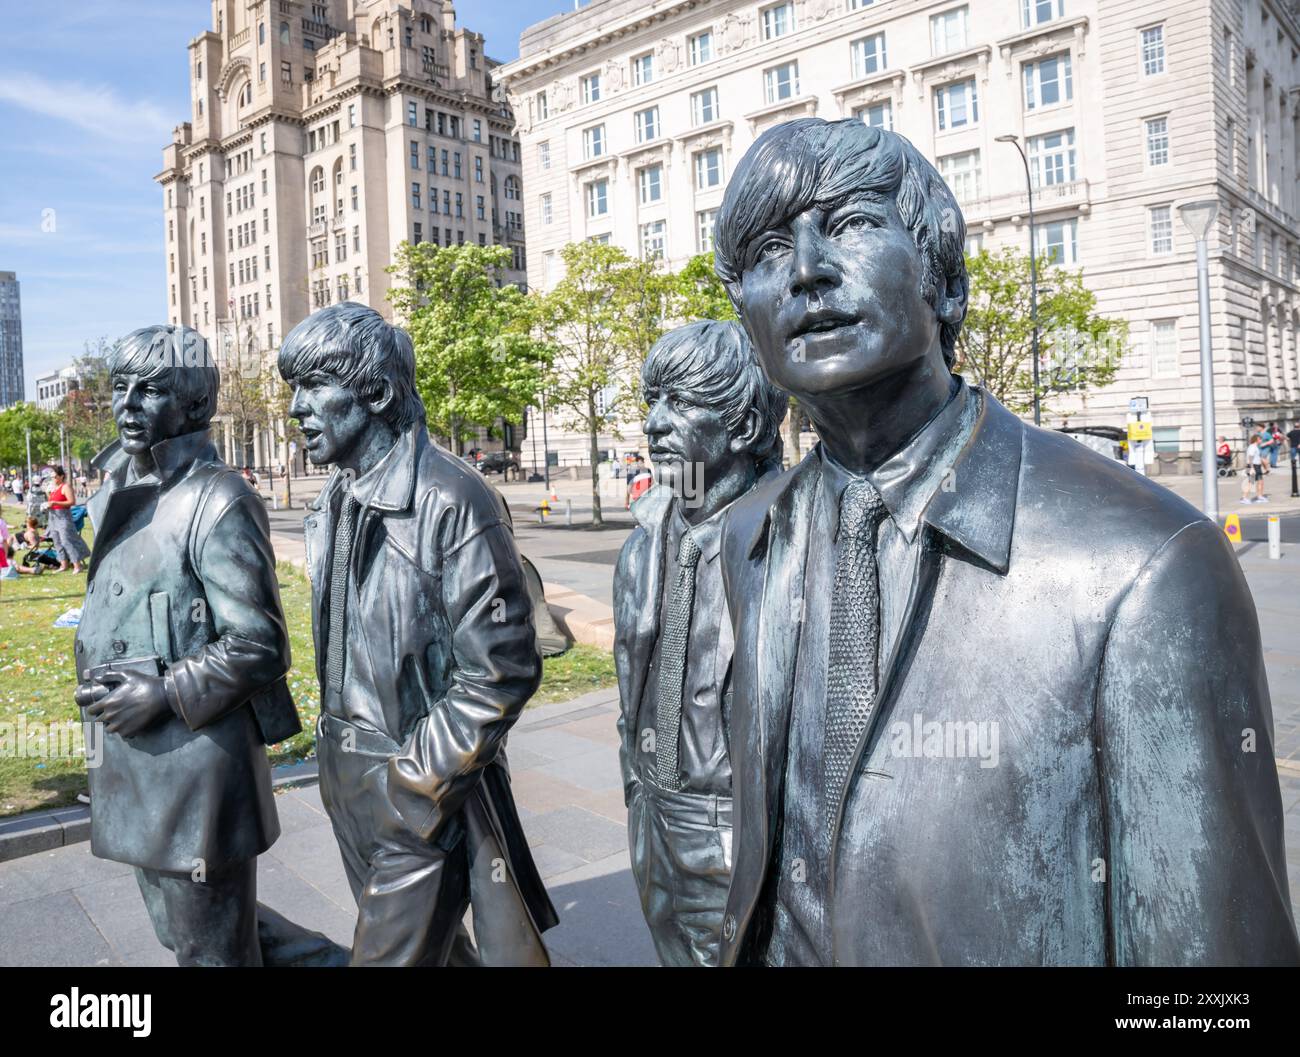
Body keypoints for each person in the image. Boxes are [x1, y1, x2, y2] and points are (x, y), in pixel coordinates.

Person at [711, 118, 1298, 966]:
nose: (807, 270)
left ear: (945, 282)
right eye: (769, 248)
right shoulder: (751, 536)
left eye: (852, 224)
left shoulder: (1144, 565)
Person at [278, 301, 557, 966]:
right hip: (346, 769)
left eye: (314, 386)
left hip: (420, 779)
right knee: (435, 953)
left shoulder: (453, 499)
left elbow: (501, 669)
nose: (296, 409)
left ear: (373, 392)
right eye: (294, 388)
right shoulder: (336, 499)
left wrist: (417, 780)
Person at [71, 323, 299, 967]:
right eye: (120, 388)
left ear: (195, 405)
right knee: (190, 933)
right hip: (136, 760)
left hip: (196, 767)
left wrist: (165, 690)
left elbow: (258, 643)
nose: (128, 406)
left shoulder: (217, 499)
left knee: (212, 951)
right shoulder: (119, 481)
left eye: (150, 391)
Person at [614, 320, 787, 967]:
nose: (655, 423)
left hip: (743, 841)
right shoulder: (643, 543)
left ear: (742, 427)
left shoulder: (790, 543)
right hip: (656, 827)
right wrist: (639, 792)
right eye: (651, 401)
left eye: (679, 402)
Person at [44, 465, 89, 574]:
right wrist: (48, 498)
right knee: (57, 541)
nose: (53, 479)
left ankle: (77, 565)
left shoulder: (66, 487)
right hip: (53, 517)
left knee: (67, 541)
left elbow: (71, 502)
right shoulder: (53, 488)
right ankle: (63, 564)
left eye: (54, 477)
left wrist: (55, 503)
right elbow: (51, 501)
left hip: (63, 517)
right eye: (52, 477)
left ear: (61, 476)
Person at [1243, 432, 1266, 503]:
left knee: (1260, 482)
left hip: (1257, 466)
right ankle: (1244, 498)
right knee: (1251, 482)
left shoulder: (1256, 447)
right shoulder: (1252, 447)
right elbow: (1250, 457)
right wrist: (1252, 468)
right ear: (1256, 440)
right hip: (1252, 466)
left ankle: (1259, 496)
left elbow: (1258, 458)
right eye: (1260, 439)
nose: (1261, 440)